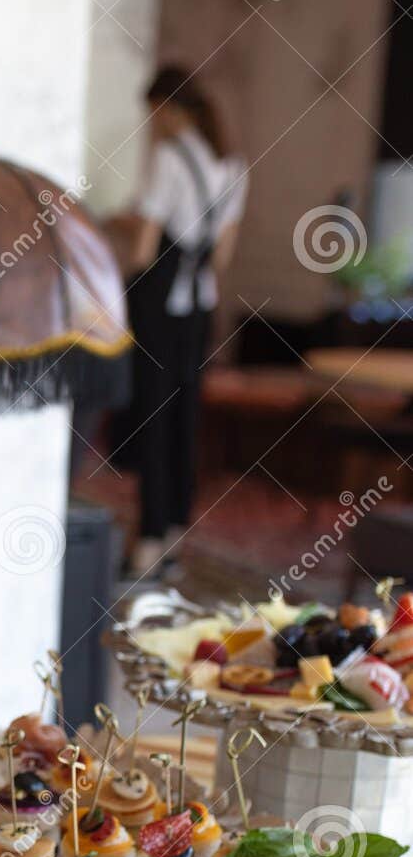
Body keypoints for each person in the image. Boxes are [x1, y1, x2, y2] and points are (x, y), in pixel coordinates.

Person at [110, 65, 248, 575]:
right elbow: (221, 256)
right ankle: (171, 538)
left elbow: (146, 248)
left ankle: (145, 542)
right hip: (201, 306)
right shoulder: (233, 165)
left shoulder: (167, 158)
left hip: (159, 304)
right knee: (184, 417)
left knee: (152, 416)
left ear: (168, 108)